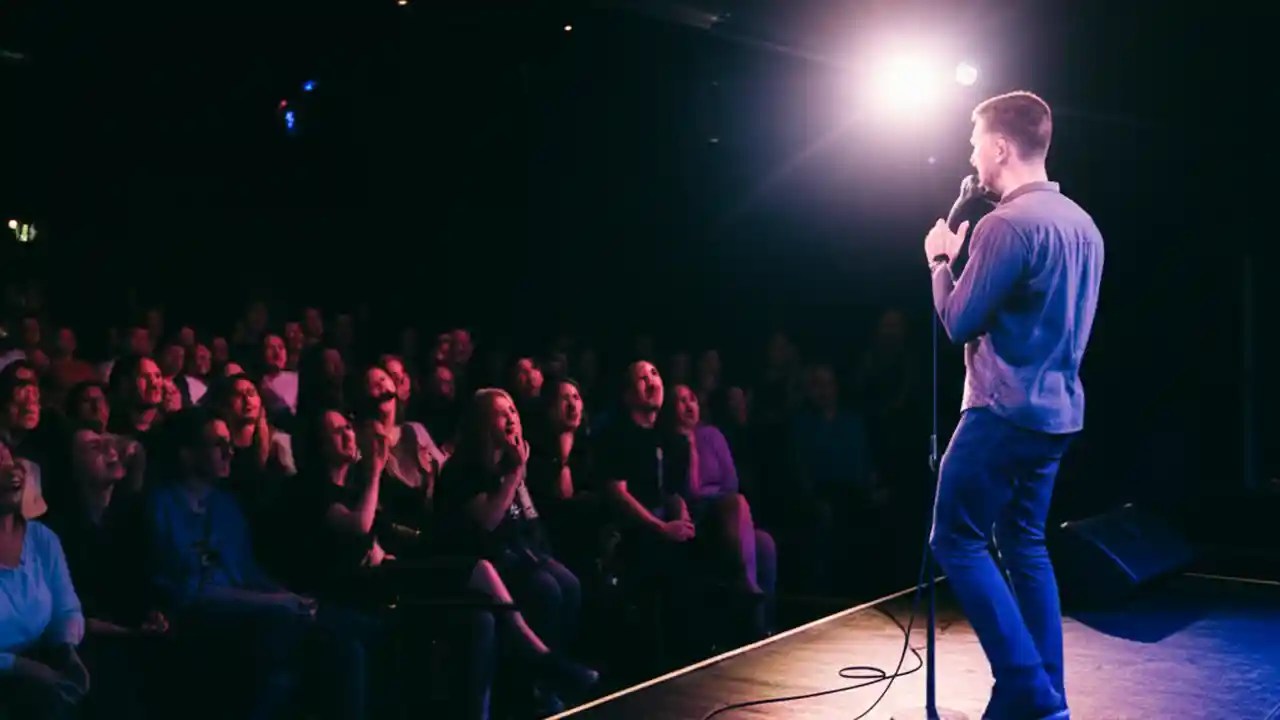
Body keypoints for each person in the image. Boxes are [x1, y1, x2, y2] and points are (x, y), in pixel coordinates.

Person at [922, 91, 1103, 720]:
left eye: (975, 143)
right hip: (1056, 415)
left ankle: (1026, 685)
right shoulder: (1084, 226)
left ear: (1000, 147)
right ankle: (1045, 699)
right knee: (1024, 544)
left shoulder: (1004, 226)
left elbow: (957, 322)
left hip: (1000, 412)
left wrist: (942, 261)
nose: (971, 154)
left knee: (955, 540)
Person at [0, 439, 89, 719]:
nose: (10, 470)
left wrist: (68, 650)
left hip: (42, 663)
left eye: (7, 458)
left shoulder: (41, 538)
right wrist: (26, 669)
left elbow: (66, 608)